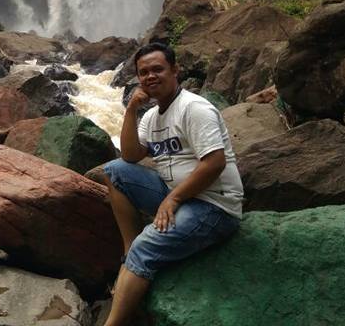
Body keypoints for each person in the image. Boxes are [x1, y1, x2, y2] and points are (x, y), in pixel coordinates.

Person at [102, 41, 243, 326]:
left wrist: (174, 199)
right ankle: (128, 251)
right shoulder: (152, 116)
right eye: (144, 72)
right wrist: (131, 110)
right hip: (176, 194)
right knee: (115, 171)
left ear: (175, 70)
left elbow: (215, 162)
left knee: (147, 247)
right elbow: (130, 155)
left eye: (157, 69)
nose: (150, 76)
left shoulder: (194, 108)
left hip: (213, 205)